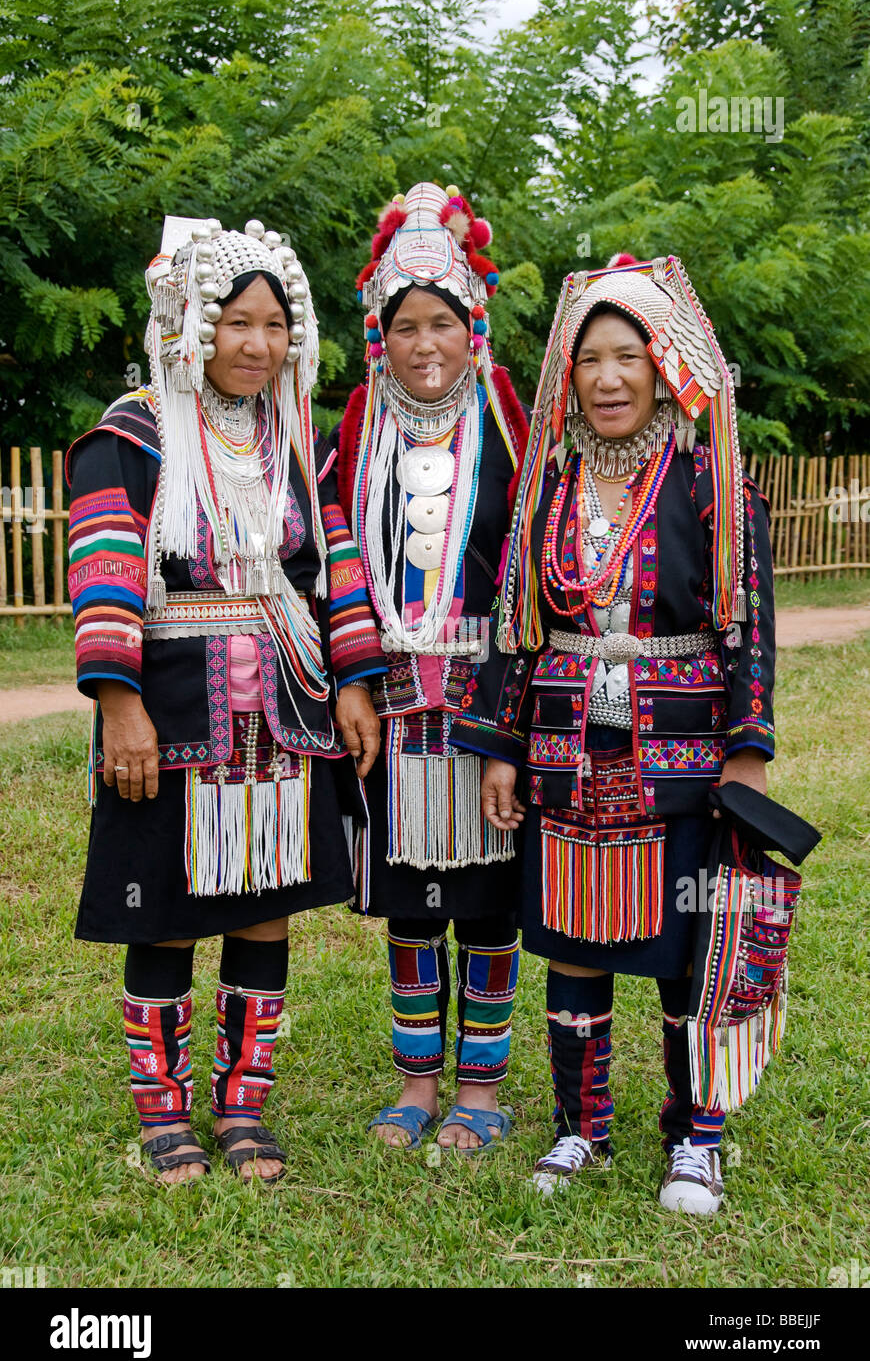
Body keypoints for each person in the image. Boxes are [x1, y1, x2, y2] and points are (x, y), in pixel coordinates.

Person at [451, 254, 776, 1211]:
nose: (606, 378)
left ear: (663, 364)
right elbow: (518, 630)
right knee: (575, 947)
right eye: (589, 357)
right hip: (564, 761)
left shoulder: (710, 480)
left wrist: (747, 754)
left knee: (685, 954)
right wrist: (501, 751)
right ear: (570, 369)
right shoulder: (547, 488)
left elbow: (747, 625)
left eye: (627, 356)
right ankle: (579, 1127)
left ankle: (695, 1137)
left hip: (681, 762)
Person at [67, 215, 384, 1183]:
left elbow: (335, 563)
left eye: (273, 326)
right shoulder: (135, 430)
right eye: (235, 322)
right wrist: (120, 705)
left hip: (284, 711)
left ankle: (244, 1108)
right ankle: (164, 1115)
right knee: (160, 908)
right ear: (194, 325)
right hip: (173, 713)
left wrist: (358, 681)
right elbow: (105, 567)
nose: (256, 344)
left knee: (264, 909)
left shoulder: (294, 441)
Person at [330, 182, 530, 1152]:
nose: (423, 345)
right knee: (411, 898)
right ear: (383, 332)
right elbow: (330, 553)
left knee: (488, 901)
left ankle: (481, 1092)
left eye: (441, 323)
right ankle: (416, 1079)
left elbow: (534, 571)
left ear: (471, 325)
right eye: (405, 326)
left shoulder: (506, 419)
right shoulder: (360, 429)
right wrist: (354, 677)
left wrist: (511, 714)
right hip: (395, 706)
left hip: (486, 701)